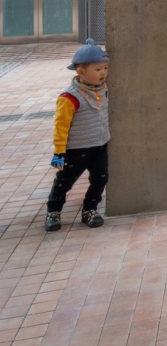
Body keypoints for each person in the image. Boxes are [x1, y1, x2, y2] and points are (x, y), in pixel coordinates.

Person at [45, 39, 109, 231]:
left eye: (105, 68)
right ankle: (53, 211)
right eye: (98, 69)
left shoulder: (103, 89)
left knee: (101, 178)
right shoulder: (69, 97)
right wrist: (59, 152)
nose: (103, 73)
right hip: (76, 149)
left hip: (99, 146)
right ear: (80, 71)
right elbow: (60, 126)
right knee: (65, 181)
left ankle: (90, 209)